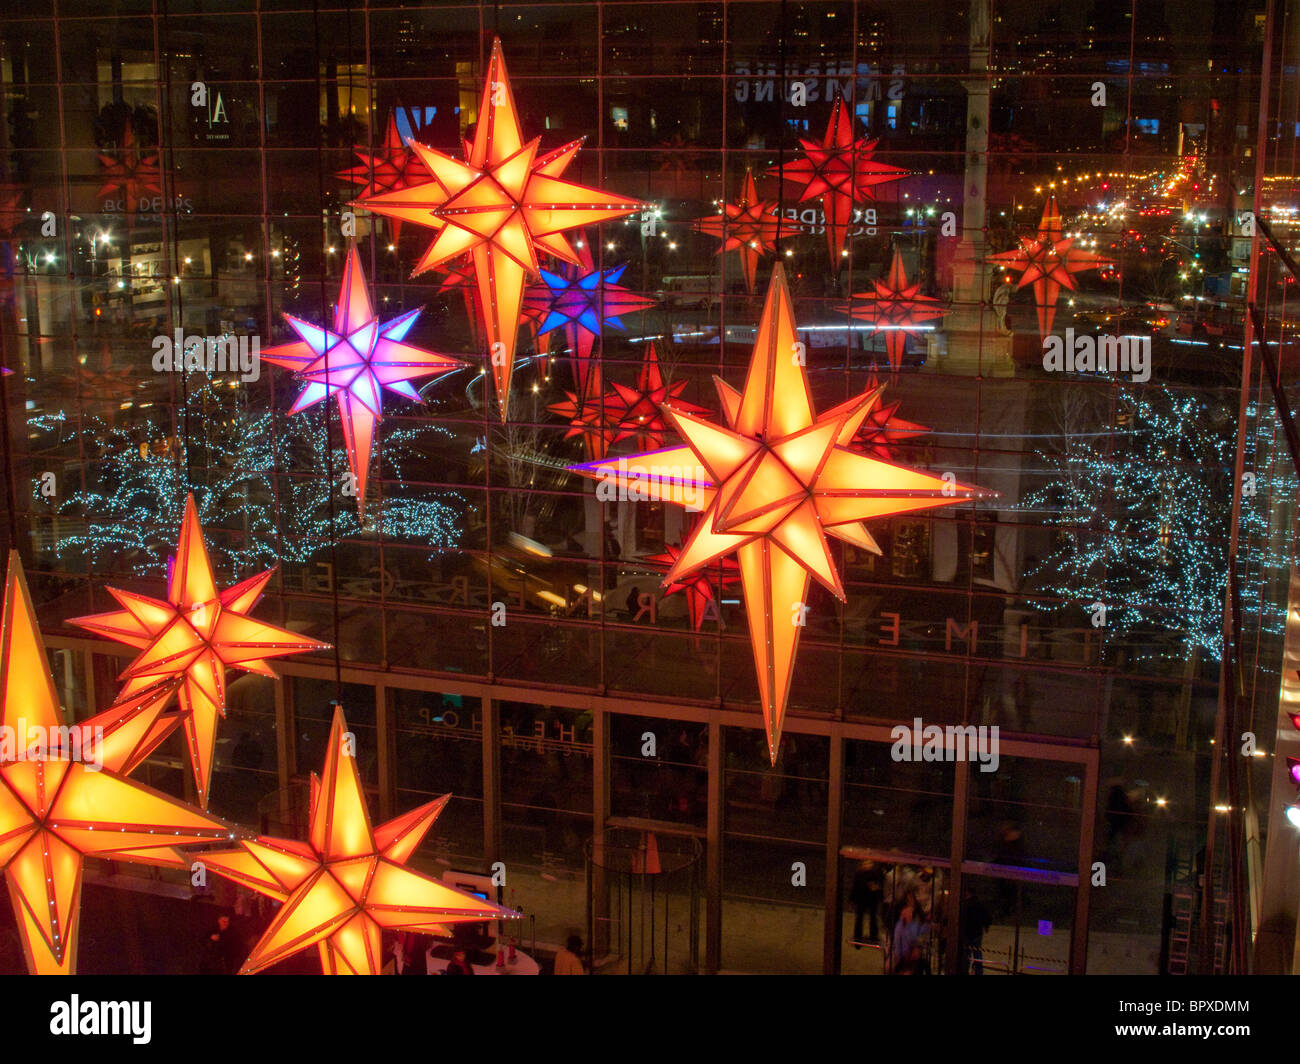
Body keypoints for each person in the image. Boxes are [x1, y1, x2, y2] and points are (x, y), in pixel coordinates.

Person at [850, 859, 885, 947]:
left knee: (871, 918)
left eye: (869, 863)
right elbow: (855, 886)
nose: (868, 865)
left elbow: (878, 885)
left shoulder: (872, 874)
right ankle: (860, 936)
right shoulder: (860, 874)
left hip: (870, 899)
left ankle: (872, 936)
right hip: (863, 898)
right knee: (860, 918)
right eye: (866, 863)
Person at [890, 904, 930, 975]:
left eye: (911, 913)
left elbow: (921, 933)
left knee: (925, 964)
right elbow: (899, 946)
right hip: (903, 958)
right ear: (903, 913)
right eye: (908, 913)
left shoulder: (913, 925)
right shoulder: (900, 927)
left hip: (912, 956)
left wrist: (927, 923)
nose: (910, 914)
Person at [962, 884, 992, 975]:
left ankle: (965, 970)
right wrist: (986, 926)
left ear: (968, 893)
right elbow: (987, 916)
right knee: (977, 953)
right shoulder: (980, 903)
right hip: (977, 933)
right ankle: (979, 971)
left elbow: (963, 918)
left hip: (968, 933)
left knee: (967, 954)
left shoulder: (965, 904)